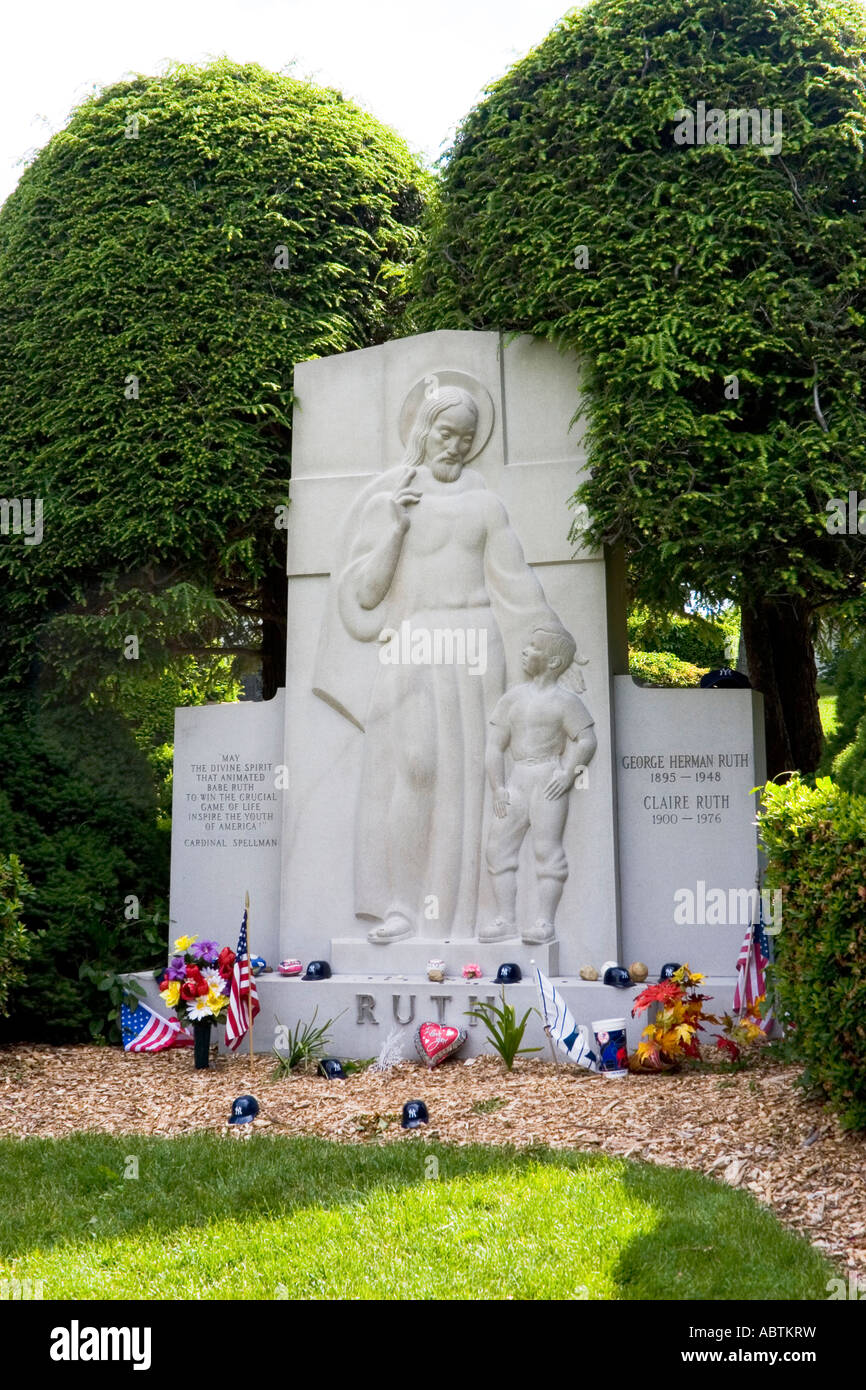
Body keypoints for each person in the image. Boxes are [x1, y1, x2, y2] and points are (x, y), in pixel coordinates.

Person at [314, 383, 569, 943]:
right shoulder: (393, 501)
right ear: (422, 431)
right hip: (414, 645)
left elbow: (517, 583)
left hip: (477, 646)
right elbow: (364, 594)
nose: (454, 446)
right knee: (416, 767)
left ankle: (486, 912)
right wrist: (396, 529)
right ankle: (404, 905)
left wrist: (554, 641)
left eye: (466, 438)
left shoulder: (485, 505)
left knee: (481, 776)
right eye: (445, 433)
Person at [484, 624, 597, 944]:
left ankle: (545, 922)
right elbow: (494, 746)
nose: (525, 650)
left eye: (534, 647)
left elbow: (586, 739)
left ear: (553, 663)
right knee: (497, 850)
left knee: (547, 850)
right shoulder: (512, 699)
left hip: (548, 778)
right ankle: (505, 919)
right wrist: (498, 787)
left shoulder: (566, 702)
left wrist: (568, 774)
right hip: (517, 779)